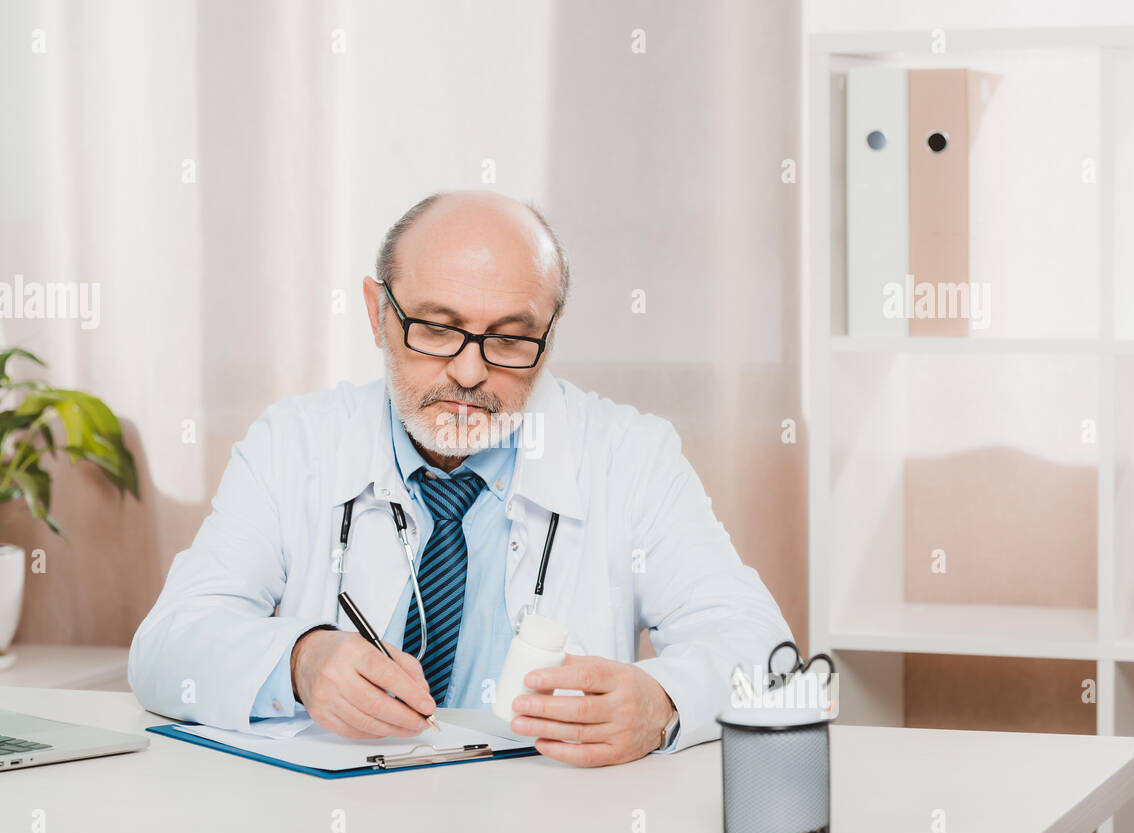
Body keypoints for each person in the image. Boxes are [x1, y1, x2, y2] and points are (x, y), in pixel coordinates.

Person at [128, 189, 793, 767]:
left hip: (550, 831)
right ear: (378, 313)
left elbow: (764, 651)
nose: (471, 373)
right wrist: (300, 661)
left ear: (549, 334)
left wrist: (662, 701)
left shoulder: (631, 456)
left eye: (509, 338)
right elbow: (166, 645)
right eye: (438, 329)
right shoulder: (293, 444)